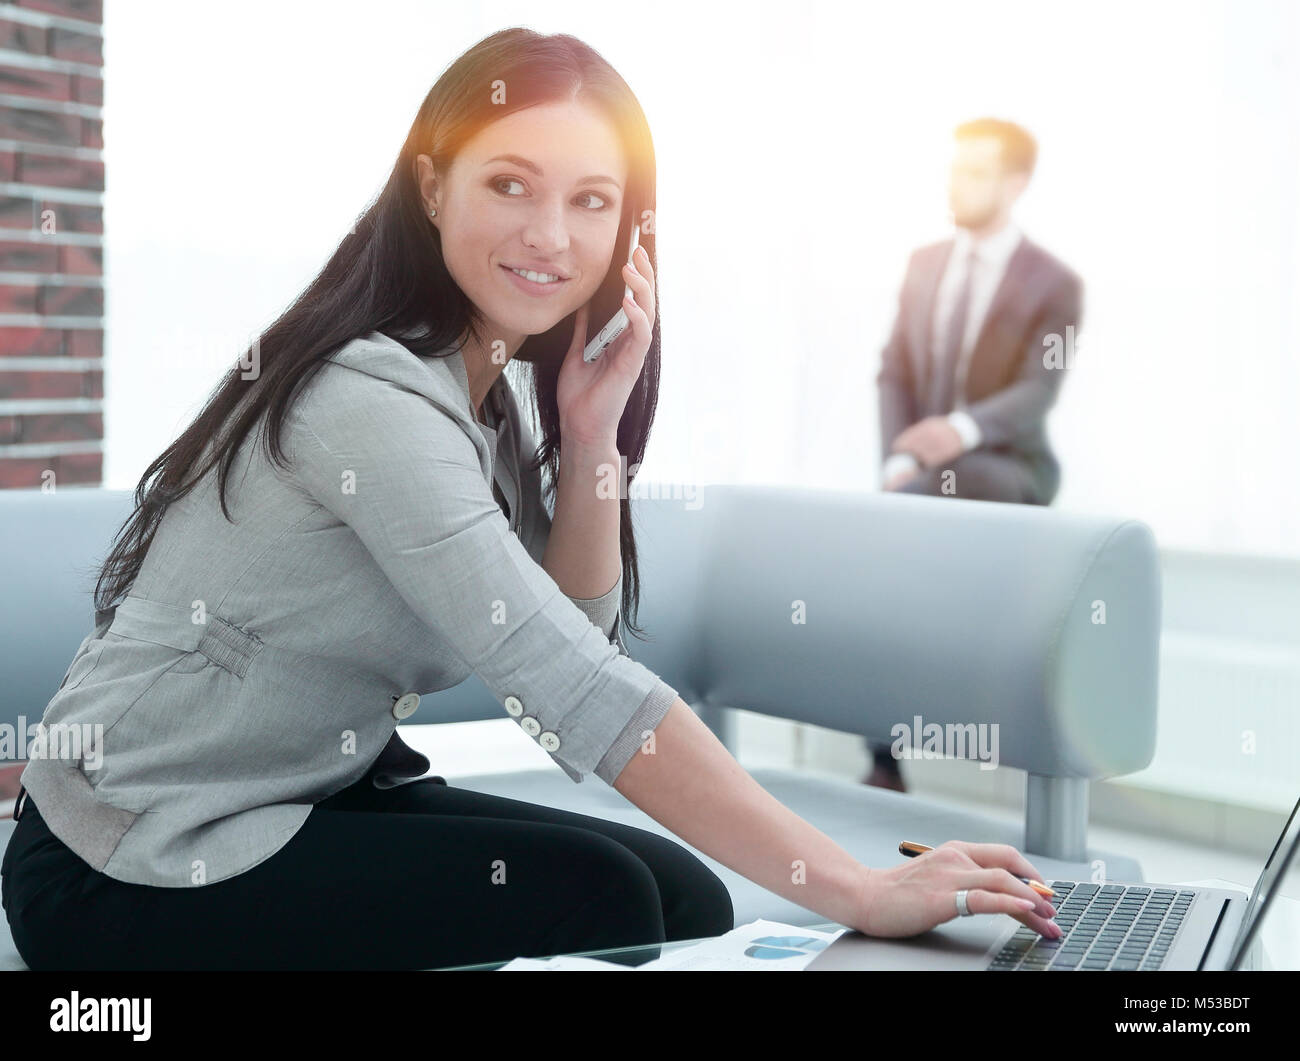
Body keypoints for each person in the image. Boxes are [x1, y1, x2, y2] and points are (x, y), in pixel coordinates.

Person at [1, 31, 1061, 971]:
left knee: (674, 894)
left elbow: (572, 654)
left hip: (316, 791)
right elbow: (577, 689)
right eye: (510, 184)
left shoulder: (494, 400)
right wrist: (854, 883)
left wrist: (593, 433)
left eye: (591, 201)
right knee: (609, 896)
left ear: (628, 232)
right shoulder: (368, 399)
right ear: (431, 187)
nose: (551, 235)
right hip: (132, 854)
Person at [864, 118, 1084, 792]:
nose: (959, 185)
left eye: (978, 172)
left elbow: (1039, 390)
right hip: (920, 476)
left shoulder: (1054, 282)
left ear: (1016, 183)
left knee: (908, 520)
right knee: (880, 556)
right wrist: (898, 458)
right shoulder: (924, 262)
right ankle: (883, 757)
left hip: (1005, 468)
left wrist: (957, 430)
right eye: (955, 169)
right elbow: (893, 370)